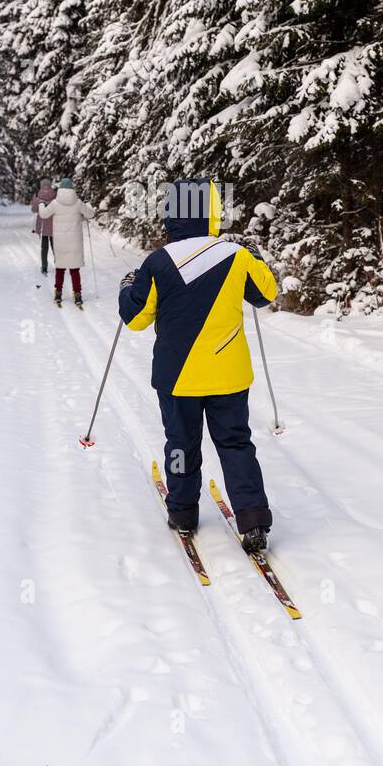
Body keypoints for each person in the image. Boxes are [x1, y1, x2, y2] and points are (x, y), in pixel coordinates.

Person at [118, 178, 278, 553]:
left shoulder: (158, 261)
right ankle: (253, 519)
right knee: (236, 443)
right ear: (212, 212)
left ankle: (183, 512)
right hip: (228, 374)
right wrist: (254, 256)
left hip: (177, 378)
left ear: (172, 214)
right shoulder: (235, 255)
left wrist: (129, 287)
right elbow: (265, 294)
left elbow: (135, 318)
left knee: (180, 444)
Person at [38, 177, 95, 308]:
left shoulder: (55, 203)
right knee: (74, 270)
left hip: (60, 243)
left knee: (60, 269)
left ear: (60, 189)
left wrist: (41, 203)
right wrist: (88, 203)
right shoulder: (78, 203)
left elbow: (43, 214)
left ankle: (58, 293)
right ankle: (78, 294)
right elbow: (90, 214)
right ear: (72, 189)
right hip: (74, 242)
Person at [31, 177, 56, 274]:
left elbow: (34, 209)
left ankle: (44, 267)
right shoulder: (55, 195)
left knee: (44, 248)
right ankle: (58, 264)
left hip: (43, 225)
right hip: (54, 225)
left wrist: (34, 199)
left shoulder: (38, 196)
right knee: (55, 247)